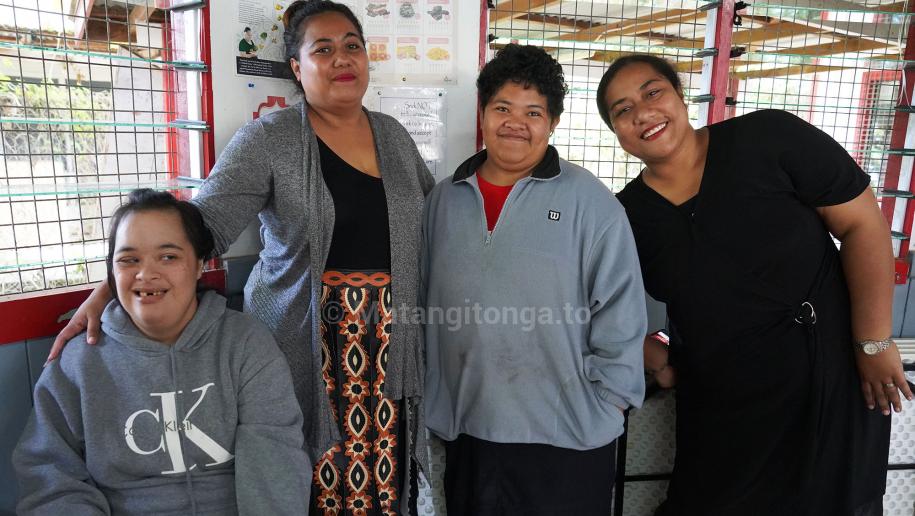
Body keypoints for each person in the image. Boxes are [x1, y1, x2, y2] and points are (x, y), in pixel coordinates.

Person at [48, 1, 434, 514]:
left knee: (383, 479)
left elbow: (433, 224)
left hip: (389, 345)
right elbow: (195, 229)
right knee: (306, 475)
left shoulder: (394, 137)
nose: (342, 58)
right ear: (297, 68)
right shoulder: (269, 139)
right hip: (306, 343)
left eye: (352, 46)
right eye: (323, 49)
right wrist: (111, 288)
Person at [597, 53, 913, 515]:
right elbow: (590, 299)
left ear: (680, 96)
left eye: (652, 92)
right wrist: (657, 356)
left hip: (825, 384)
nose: (643, 113)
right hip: (724, 409)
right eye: (622, 110)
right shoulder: (627, 216)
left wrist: (873, 341)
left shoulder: (769, 138)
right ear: (617, 133)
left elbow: (863, 225)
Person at [422, 44, 647, 515]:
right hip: (470, 430)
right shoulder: (442, 201)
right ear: (482, 112)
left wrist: (611, 401)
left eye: (533, 112)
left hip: (567, 434)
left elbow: (623, 311)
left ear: (552, 123)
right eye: (502, 107)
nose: (515, 123)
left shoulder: (592, 203)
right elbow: (423, 301)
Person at [14, 189, 310, 515]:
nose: (146, 273)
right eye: (129, 260)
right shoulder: (78, 362)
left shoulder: (246, 346)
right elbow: (52, 480)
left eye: (168, 256)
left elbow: (276, 465)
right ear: (111, 273)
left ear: (199, 265)